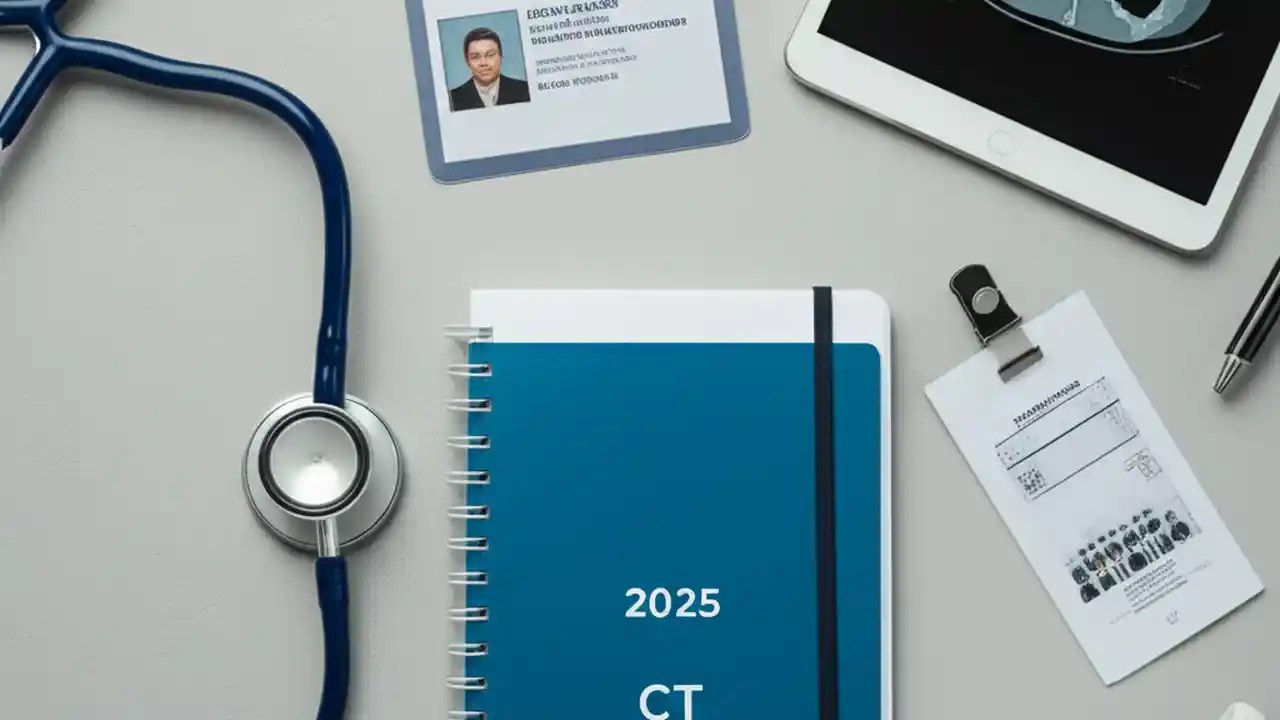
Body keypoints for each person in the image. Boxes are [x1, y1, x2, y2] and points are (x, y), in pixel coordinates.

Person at [449, 27, 530, 112]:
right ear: (467, 61)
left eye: (490, 55)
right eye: (475, 57)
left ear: (500, 56)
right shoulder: (452, 99)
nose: (483, 63)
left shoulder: (525, 90)